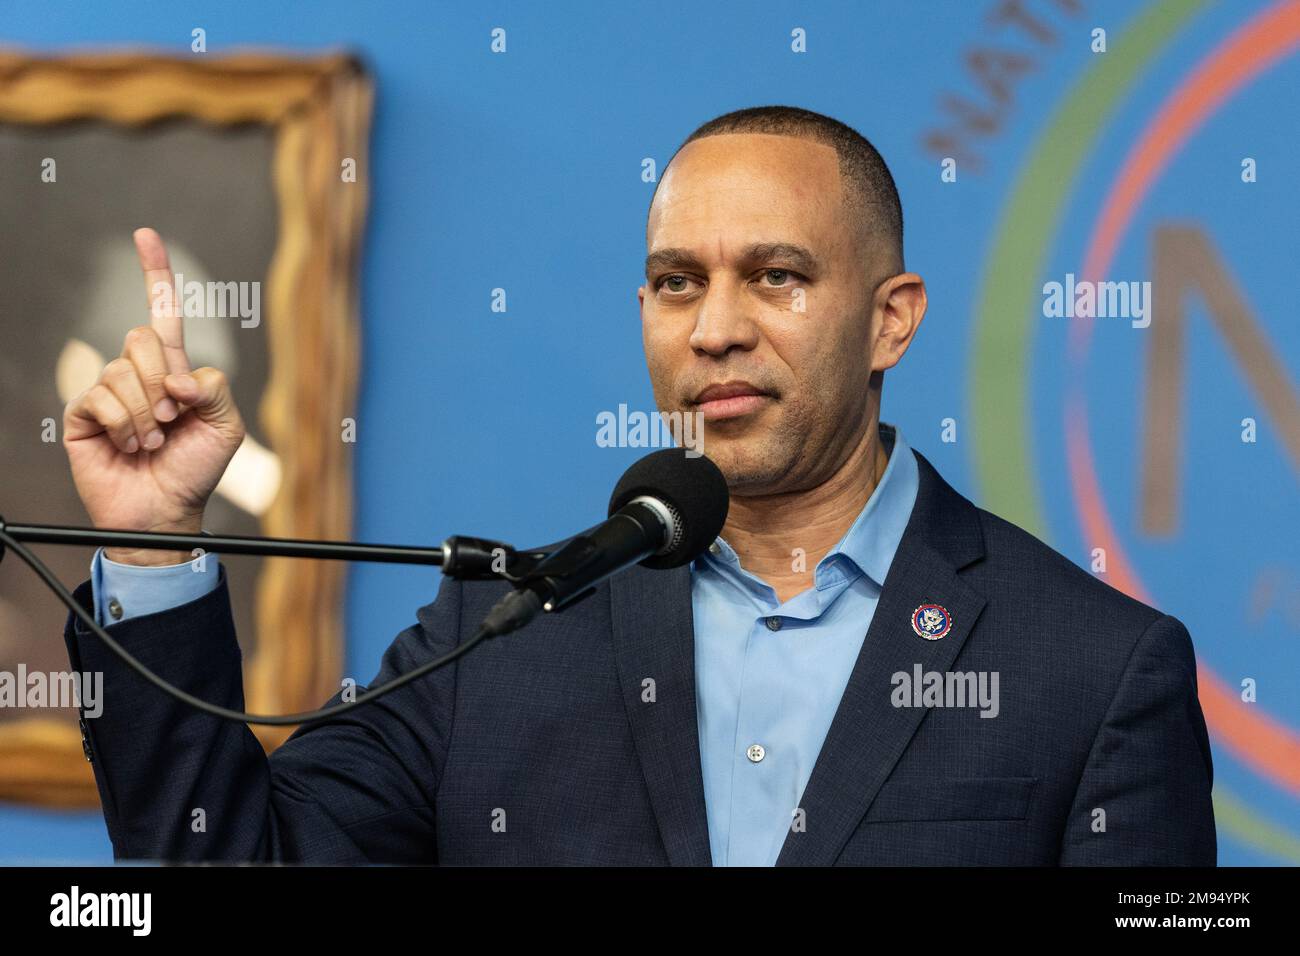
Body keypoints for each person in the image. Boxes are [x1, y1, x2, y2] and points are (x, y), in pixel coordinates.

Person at [58, 105, 1216, 865]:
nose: (715, 329)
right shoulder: (498, 633)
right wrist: (156, 543)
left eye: (775, 275)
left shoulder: (1097, 667)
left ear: (890, 319)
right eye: (674, 282)